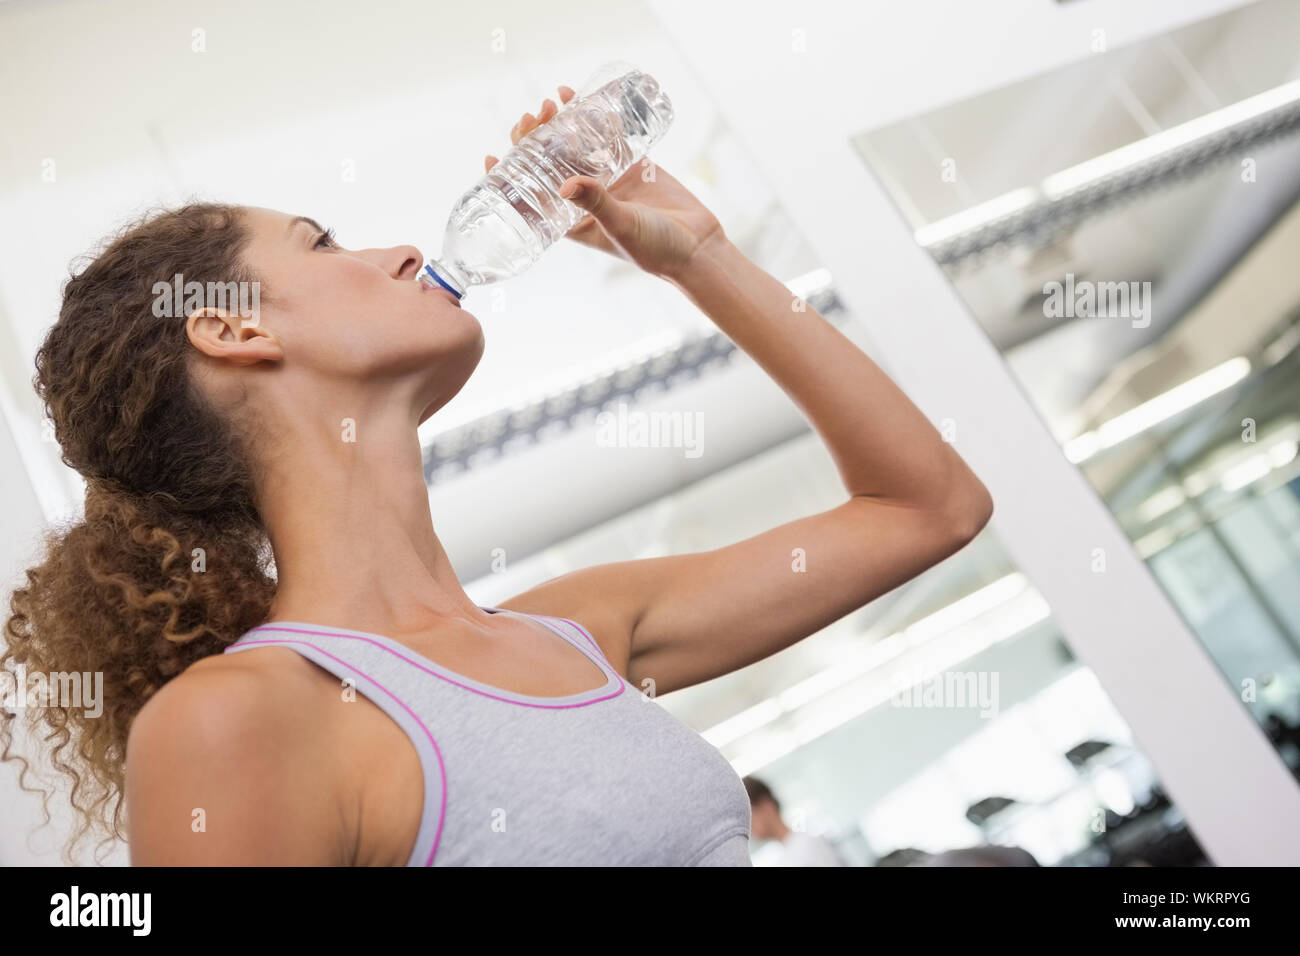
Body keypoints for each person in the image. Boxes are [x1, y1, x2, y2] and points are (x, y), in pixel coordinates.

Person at [1, 83, 992, 866]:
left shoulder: (580, 628)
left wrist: (702, 256)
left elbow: (931, 507)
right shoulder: (237, 720)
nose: (398, 252)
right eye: (321, 241)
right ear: (232, 326)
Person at [744, 777, 847, 866]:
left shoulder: (809, 843)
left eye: (749, 817)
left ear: (766, 806)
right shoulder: (785, 855)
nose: (748, 828)